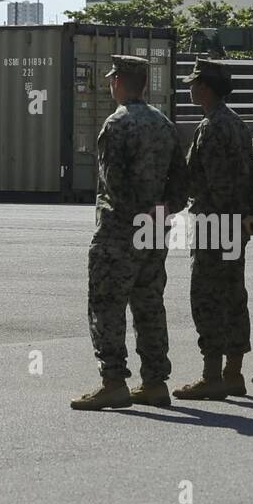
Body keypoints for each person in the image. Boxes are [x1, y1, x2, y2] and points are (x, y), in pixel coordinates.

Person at [72, 55, 188, 411]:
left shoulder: (116, 124)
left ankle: (114, 380)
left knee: (107, 304)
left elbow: (115, 185)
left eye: (112, 79)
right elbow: (181, 184)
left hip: (119, 233)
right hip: (154, 230)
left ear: (120, 81)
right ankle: (155, 381)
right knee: (150, 305)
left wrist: (135, 214)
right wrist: (162, 210)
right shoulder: (164, 124)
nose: (110, 84)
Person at [172, 58, 253, 400]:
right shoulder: (237, 124)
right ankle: (233, 373)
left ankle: (212, 375)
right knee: (234, 296)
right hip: (233, 225)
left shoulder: (212, 128)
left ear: (206, 88)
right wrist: (249, 213)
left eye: (195, 83)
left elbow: (216, 182)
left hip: (215, 223)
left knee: (207, 297)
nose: (190, 88)